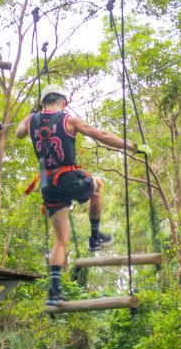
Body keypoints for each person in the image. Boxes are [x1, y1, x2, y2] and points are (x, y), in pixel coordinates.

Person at [16, 84, 151, 304]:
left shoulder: (32, 120)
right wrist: (132, 146)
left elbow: (19, 133)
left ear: (43, 102)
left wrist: (32, 114)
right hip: (67, 179)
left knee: (61, 239)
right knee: (97, 186)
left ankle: (54, 292)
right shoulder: (69, 119)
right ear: (64, 101)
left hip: (48, 185)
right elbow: (100, 134)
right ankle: (95, 236)